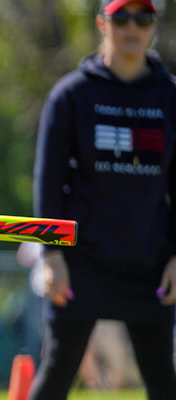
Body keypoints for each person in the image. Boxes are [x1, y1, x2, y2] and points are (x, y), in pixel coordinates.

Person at [30, 1, 176, 398]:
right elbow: (48, 181)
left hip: (150, 264)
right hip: (80, 262)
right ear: (102, 24)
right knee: (58, 372)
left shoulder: (170, 96)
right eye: (121, 17)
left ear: (154, 26)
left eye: (143, 18)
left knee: (164, 381)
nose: (132, 27)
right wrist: (52, 256)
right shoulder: (71, 95)